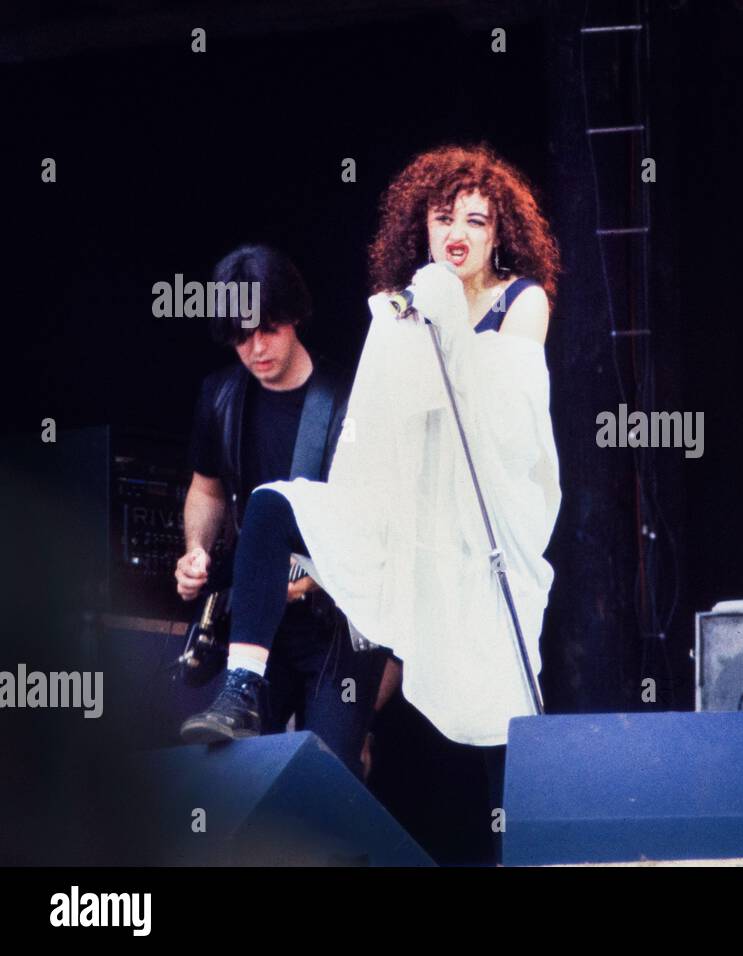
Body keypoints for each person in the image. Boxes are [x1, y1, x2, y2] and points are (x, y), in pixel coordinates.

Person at [179, 144, 563, 844]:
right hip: (405, 516)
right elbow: (378, 431)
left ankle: (526, 851)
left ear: (499, 231)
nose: (458, 233)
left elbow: (505, 412)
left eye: (476, 221)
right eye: (443, 216)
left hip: (483, 532)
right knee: (272, 503)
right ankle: (242, 685)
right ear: (420, 224)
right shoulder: (406, 305)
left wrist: (441, 312)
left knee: (499, 709)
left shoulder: (521, 300)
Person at [175, 244, 393, 779]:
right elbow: (205, 490)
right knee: (240, 772)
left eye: (267, 328)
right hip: (257, 623)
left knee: (325, 777)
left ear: (294, 315)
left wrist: (305, 582)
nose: (255, 348)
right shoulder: (220, 396)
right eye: (241, 337)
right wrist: (196, 551)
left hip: (335, 624)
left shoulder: (350, 401)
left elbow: (381, 524)